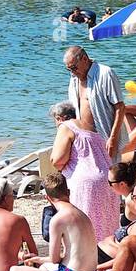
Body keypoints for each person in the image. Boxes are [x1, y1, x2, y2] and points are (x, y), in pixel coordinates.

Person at [8, 174, 98, 271]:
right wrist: (39, 259)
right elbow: (69, 254)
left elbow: (55, 259)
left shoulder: (58, 219)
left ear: (47, 198)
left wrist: (39, 260)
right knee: (43, 268)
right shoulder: (82, 214)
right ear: (68, 192)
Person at [49, 101, 118, 241]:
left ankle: (87, 259)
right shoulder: (90, 127)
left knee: (84, 226)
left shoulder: (65, 126)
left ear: (59, 118)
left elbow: (58, 160)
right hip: (109, 177)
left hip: (85, 181)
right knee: (106, 225)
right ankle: (107, 258)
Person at [65, 46, 129, 156]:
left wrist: (112, 139)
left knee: (110, 171)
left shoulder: (105, 74)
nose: (73, 72)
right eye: (69, 69)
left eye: (74, 68)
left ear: (84, 59)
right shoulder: (73, 79)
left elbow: (120, 108)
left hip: (106, 138)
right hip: (83, 141)